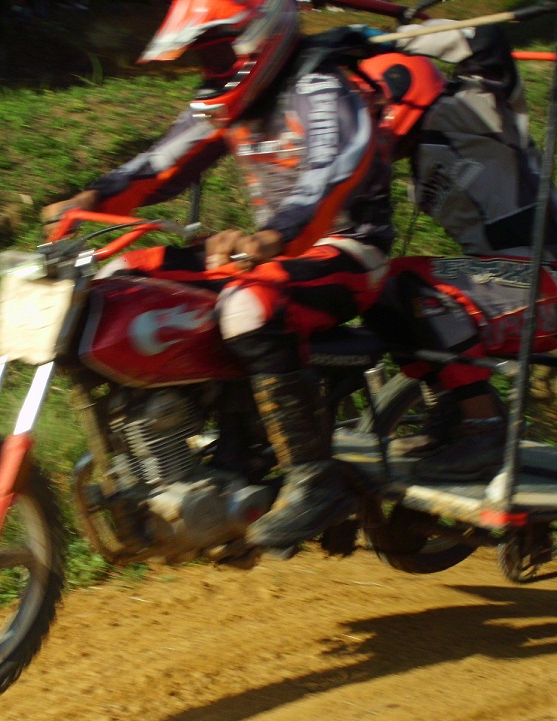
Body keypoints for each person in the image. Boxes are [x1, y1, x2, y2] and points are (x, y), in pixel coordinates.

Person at [43, 0, 394, 552]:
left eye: (217, 50)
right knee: (119, 276)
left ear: (259, 35)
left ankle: (314, 479)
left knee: (248, 305)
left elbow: (331, 176)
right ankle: (174, 441)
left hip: (347, 251)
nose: (213, 66)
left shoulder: (320, 86)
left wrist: (273, 236)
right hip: (271, 251)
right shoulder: (231, 101)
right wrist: (89, 199)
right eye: (203, 55)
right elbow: (162, 164)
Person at [359, 20, 557, 482]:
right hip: (505, 282)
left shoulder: (480, 111)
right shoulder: (412, 176)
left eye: (372, 107)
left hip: (553, 280)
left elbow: (485, 42)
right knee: (374, 283)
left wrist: (381, 36)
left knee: (406, 280)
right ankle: (454, 412)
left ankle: (484, 425)